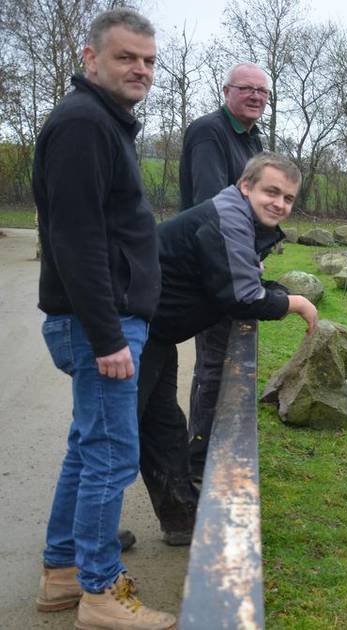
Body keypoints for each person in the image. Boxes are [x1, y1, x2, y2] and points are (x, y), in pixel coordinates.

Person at [32, 8, 176, 629]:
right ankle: (99, 593)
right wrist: (108, 335)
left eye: (147, 60)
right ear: (92, 60)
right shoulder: (84, 125)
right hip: (102, 324)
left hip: (107, 321)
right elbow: (77, 240)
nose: (140, 69)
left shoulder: (103, 123)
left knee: (87, 448)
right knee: (112, 457)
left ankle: (63, 571)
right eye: (126, 57)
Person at [136, 152, 318, 544]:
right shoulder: (227, 219)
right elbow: (241, 297)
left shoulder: (236, 217)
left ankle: (181, 519)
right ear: (246, 186)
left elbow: (240, 280)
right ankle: (73, 550)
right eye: (272, 191)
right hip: (131, 330)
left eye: (288, 198)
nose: (279, 204)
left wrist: (271, 287)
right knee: (110, 436)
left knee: (163, 425)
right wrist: (295, 303)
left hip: (156, 333)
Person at [177, 62, 270, 490]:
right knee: (215, 364)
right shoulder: (209, 132)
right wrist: (239, 257)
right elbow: (212, 204)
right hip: (213, 268)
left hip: (239, 263)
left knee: (236, 360)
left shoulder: (253, 139)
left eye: (262, 92)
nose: (255, 97)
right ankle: (199, 466)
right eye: (247, 89)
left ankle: (224, 450)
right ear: (227, 90)